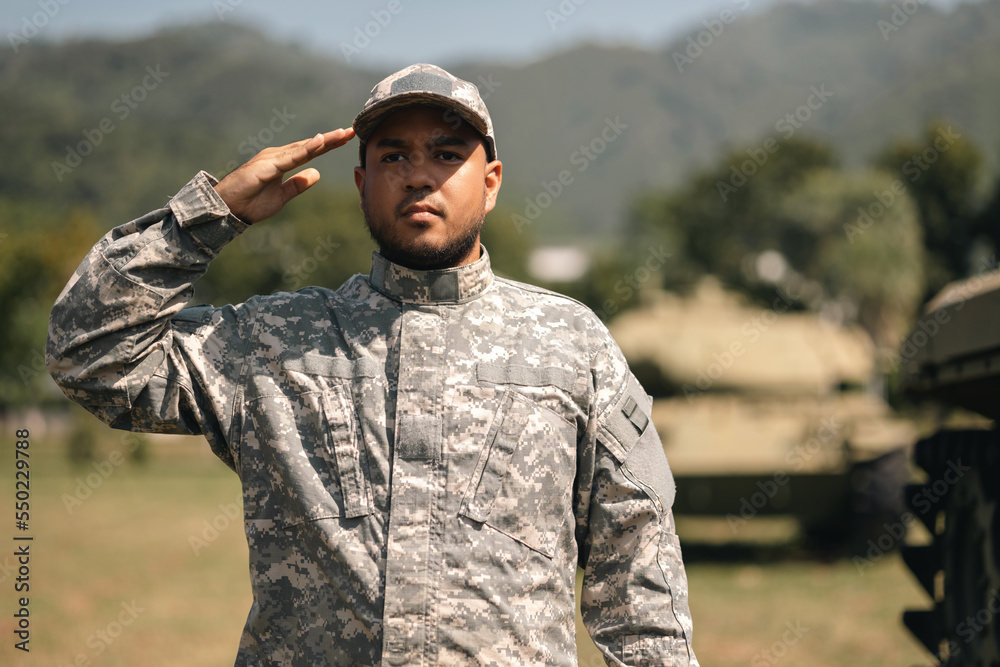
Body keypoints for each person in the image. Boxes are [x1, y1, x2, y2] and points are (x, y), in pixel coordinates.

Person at [47, 63, 698, 666]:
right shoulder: (273, 341)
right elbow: (90, 355)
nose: (419, 175)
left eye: (447, 154)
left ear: (491, 183)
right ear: (362, 185)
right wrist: (207, 217)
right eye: (393, 156)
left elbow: (639, 575)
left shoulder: (571, 345)